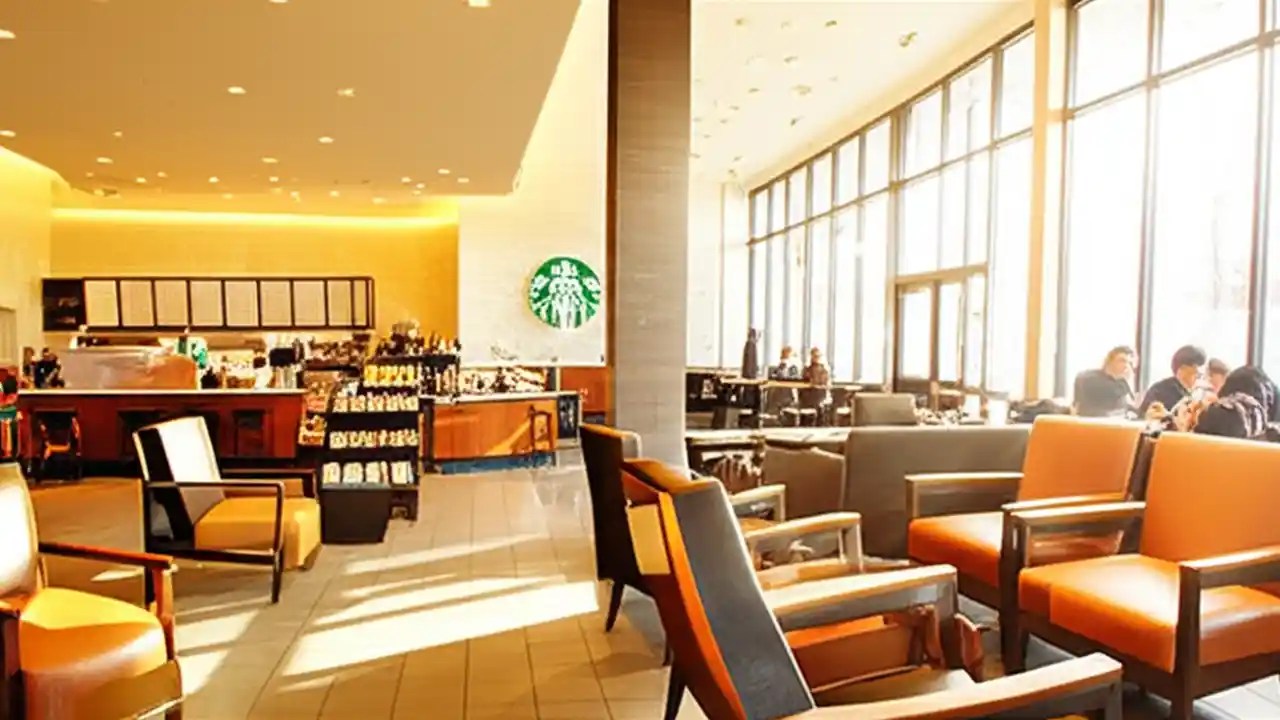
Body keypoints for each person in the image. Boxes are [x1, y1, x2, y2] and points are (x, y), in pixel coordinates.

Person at [1139, 345, 1207, 417]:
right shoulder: (1159, 390)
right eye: (1196, 372)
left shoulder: (1198, 393)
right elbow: (1145, 417)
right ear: (1182, 369)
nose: (1199, 376)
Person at [1073, 346, 1137, 417]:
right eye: (1122, 360)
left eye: (1130, 363)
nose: (1126, 366)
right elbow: (1112, 392)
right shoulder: (1090, 378)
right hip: (1091, 424)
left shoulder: (1120, 385)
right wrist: (1126, 380)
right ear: (1109, 361)